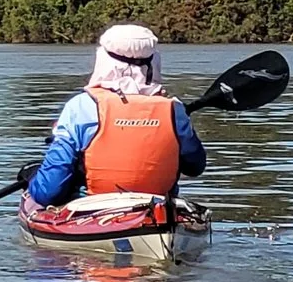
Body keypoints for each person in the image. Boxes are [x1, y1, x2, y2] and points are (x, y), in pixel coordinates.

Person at [25, 24, 205, 206]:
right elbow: (195, 166)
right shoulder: (174, 109)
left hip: (92, 208)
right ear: (154, 62)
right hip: (158, 209)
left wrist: (32, 177)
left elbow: (49, 192)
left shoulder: (81, 107)